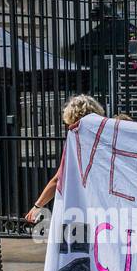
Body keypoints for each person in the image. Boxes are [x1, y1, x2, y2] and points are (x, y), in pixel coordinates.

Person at [25, 95, 108, 224]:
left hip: (80, 207)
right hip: (105, 203)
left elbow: (59, 178)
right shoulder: (105, 136)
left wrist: (38, 205)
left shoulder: (76, 139)